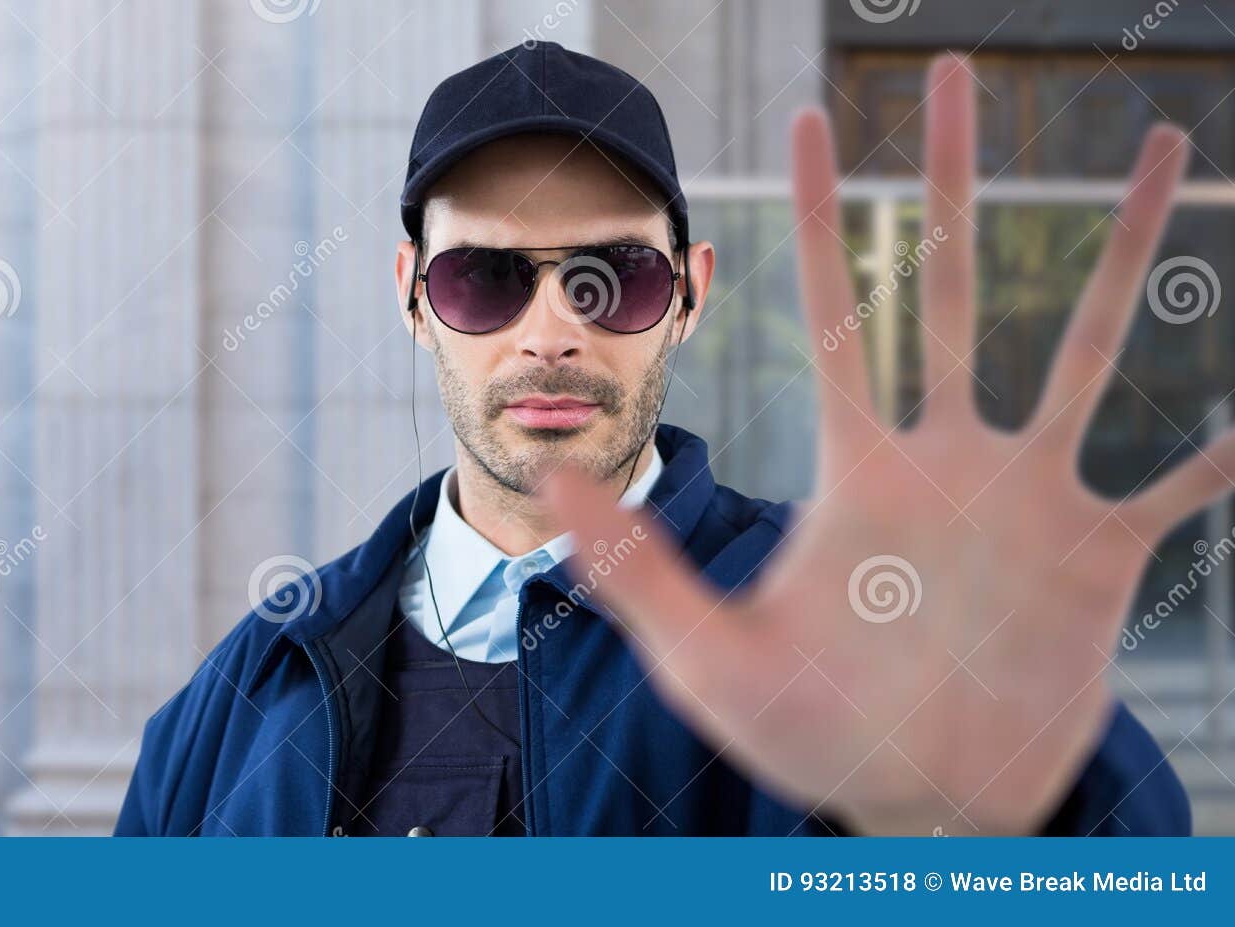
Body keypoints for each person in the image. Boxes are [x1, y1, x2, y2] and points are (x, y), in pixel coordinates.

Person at [115, 41, 1212, 836]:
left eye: (616, 276)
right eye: (484, 278)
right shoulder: (246, 691)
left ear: (689, 294)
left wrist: (1035, 762)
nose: (551, 333)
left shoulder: (848, 622)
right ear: (412, 295)